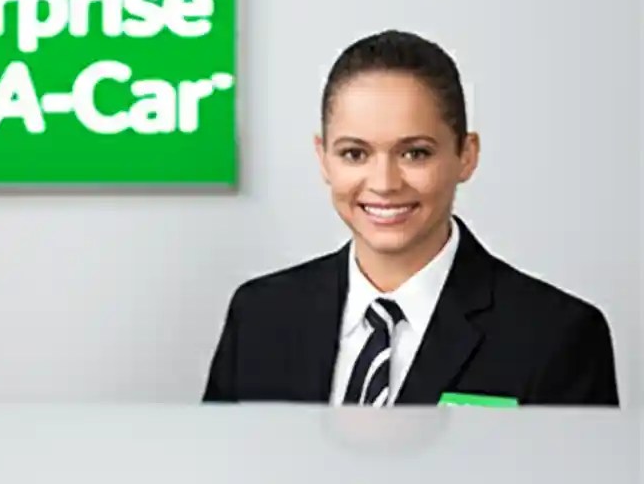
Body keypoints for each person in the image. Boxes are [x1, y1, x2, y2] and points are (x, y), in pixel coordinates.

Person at [203, 30, 618, 407]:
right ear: (323, 158)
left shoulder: (556, 336)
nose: (384, 183)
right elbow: (225, 481)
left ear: (466, 155)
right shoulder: (260, 316)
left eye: (414, 153)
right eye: (355, 153)